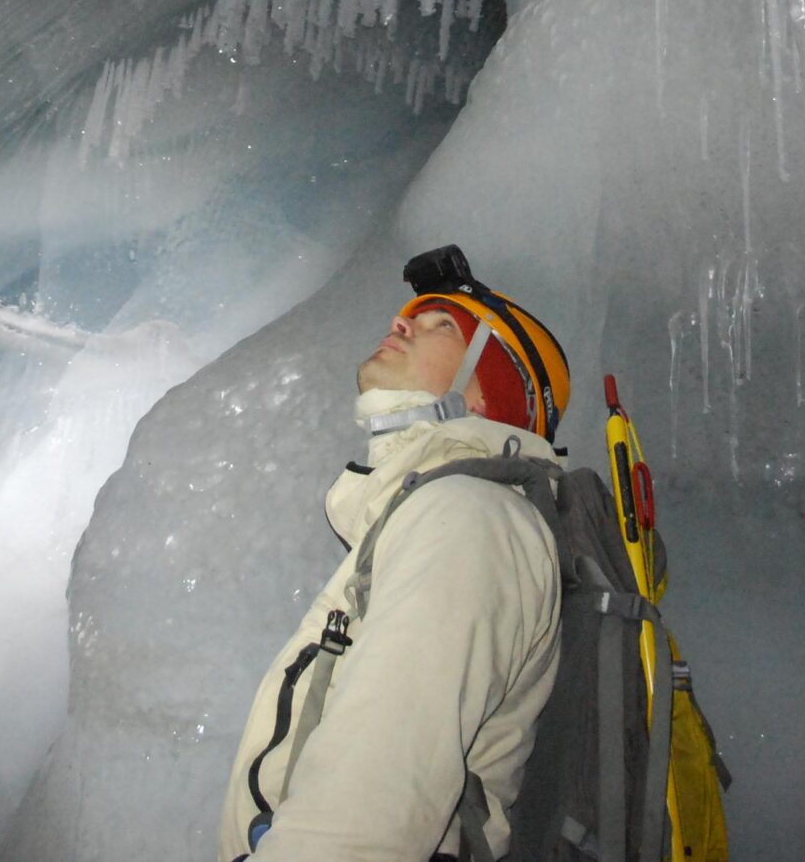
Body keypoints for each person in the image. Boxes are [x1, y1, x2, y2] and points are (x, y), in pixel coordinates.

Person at [219, 246, 574, 862]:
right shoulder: (436, 514)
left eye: (444, 326)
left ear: (488, 399)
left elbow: (373, 805)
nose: (400, 323)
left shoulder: (467, 518)